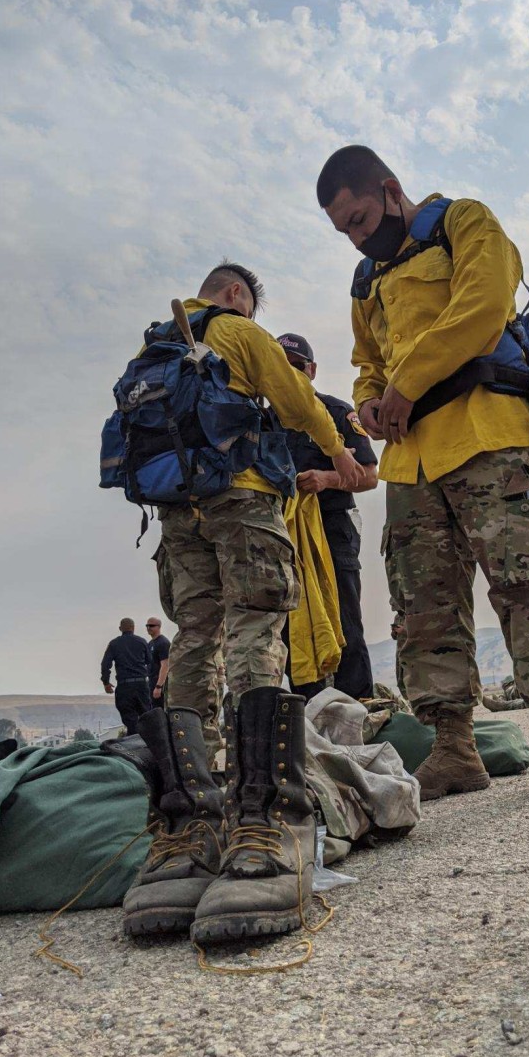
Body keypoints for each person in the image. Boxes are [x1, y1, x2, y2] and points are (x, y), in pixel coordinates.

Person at [317, 145, 529, 801]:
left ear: (389, 188)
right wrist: (367, 404)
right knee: (424, 611)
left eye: (359, 218)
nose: (357, 236)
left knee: (525, 582)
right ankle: (454, 750)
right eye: (344, 230)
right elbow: (365, 362)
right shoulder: (366, 280)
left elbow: (483, 303)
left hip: (486, 433)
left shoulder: (463, 222)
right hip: (411, 461)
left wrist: (405, 385)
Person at [155, 264, 362, 759]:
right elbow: (297, 402)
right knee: (256, 622)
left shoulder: (155, 345)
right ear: (234, 294)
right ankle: (261, 763)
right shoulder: (237, 329)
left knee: (196, 631)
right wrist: (338, 451)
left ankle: (193, 764)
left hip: (176, 508)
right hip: (240, 498)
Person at [279, 331, 379, 701]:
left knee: (345, 619)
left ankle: (360, 708)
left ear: (312, 369)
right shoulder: (260, 421)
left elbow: (369, 476)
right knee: (286, 627)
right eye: (281, 367)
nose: (290, 374)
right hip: (279, 536)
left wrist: (327, 479)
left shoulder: (336, 413)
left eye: (297, 367)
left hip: (332, 529)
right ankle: (306, 713)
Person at [100, 619, 151, 734]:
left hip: (125, 685)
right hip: (141, 684)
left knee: (129, 718)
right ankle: (148, 743)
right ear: (133, 628)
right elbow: (149, 661)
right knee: (146, 716)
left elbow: (105, 664)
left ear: (120, 629)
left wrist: (106, 683)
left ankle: (134, 742)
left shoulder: (114, 644)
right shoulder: (142, 641)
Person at [145, 616, 170, 707]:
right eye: (147, 626)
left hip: (159, 684)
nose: (148, 628)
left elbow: (165, 665)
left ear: (159, 627)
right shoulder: (150, 643)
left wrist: (159, 686)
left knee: (159, 710)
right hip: (150, 682)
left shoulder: (163, 643)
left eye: (151, 626)